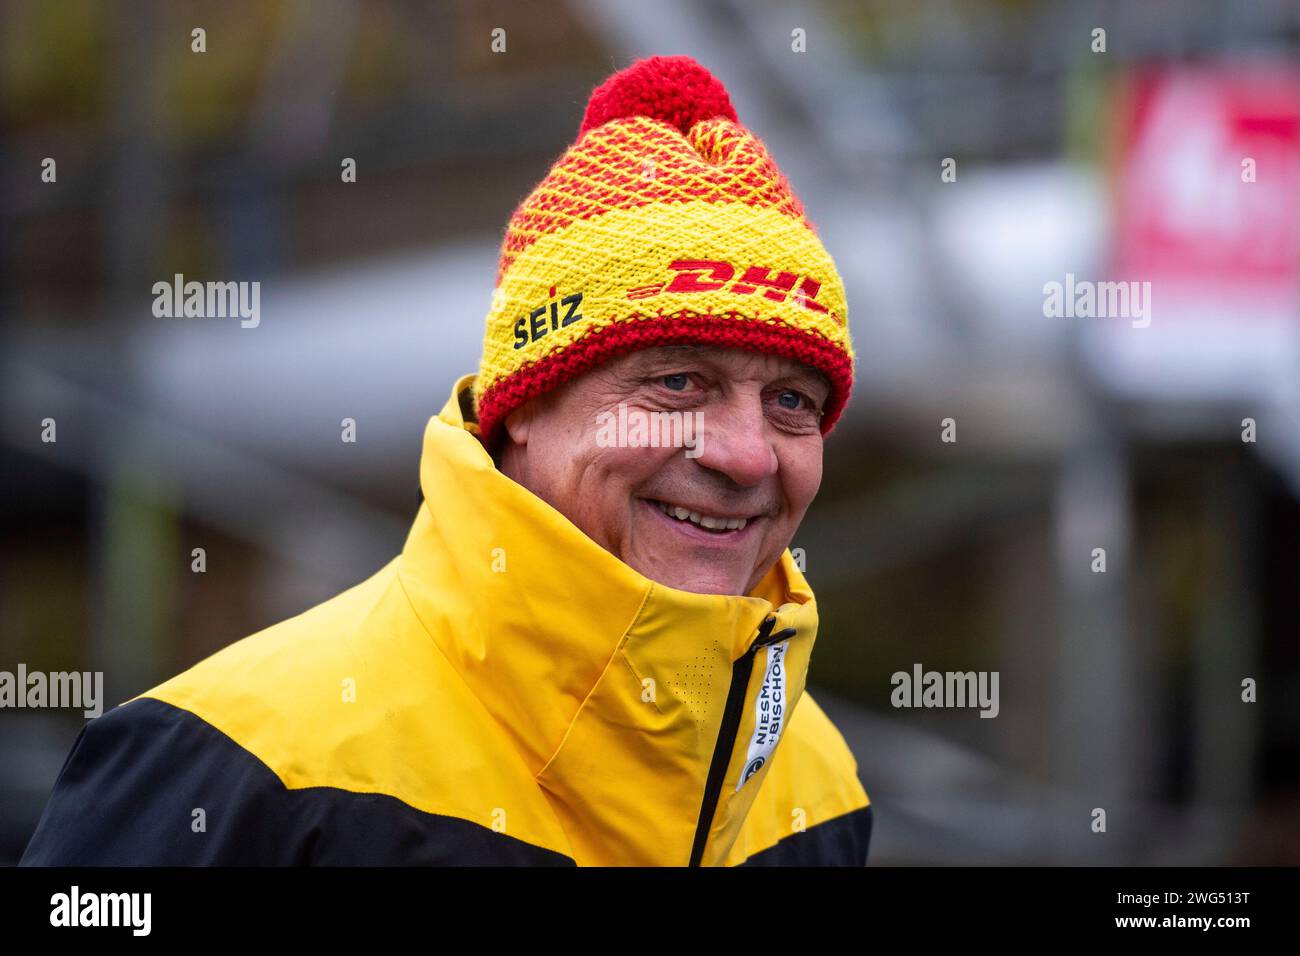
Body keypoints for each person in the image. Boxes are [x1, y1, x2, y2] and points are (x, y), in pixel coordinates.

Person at [21, 55, 870, 866]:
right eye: (679, 382)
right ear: (526, 404)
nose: (749, 454)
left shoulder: (816, 782)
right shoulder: (230, 761)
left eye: (792, 403)